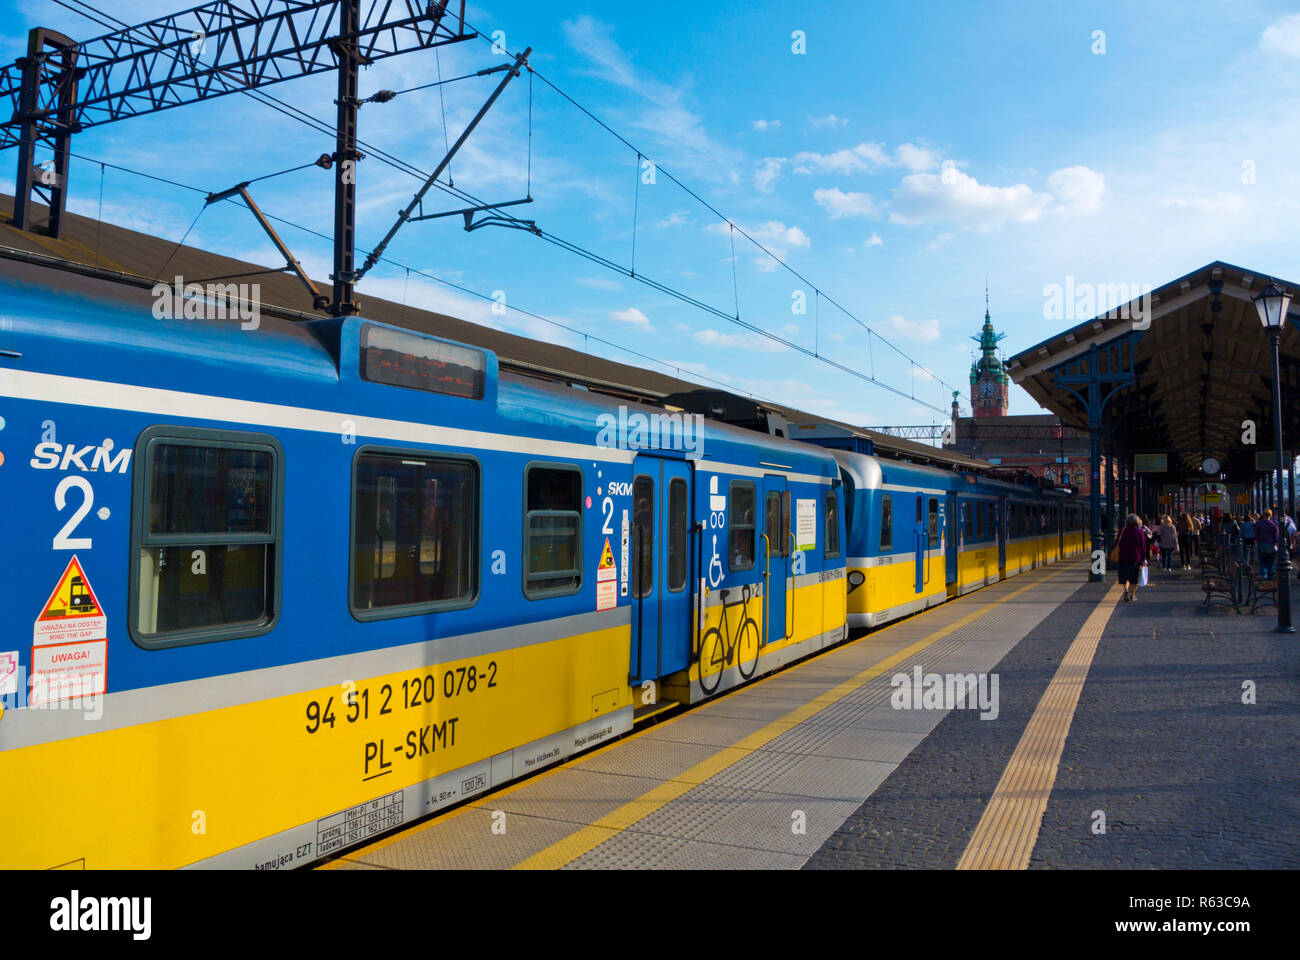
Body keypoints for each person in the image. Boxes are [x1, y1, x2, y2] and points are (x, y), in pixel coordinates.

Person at [1117, 513, 1148, 601]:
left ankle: (1126, 591)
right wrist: (1144, 558)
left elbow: (1116, 543)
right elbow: (1143, 547)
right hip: (1135, 558)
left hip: (1123, 557)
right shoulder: (1140, 532)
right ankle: (1132, 595)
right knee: (1133, 578)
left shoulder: (1122, 531)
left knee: (1126, 576)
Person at [1256, 509, 1280, 580]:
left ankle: (1264, 575)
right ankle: (1270, 576)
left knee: (1262, 562)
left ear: (1263, 515)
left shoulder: (1258, 524)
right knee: (1271, 563)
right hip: (1272, 546)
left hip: (1262, 545)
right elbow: (1276, 537)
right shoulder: (1274, 524)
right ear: (1271, 515)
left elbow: (1256, 536)